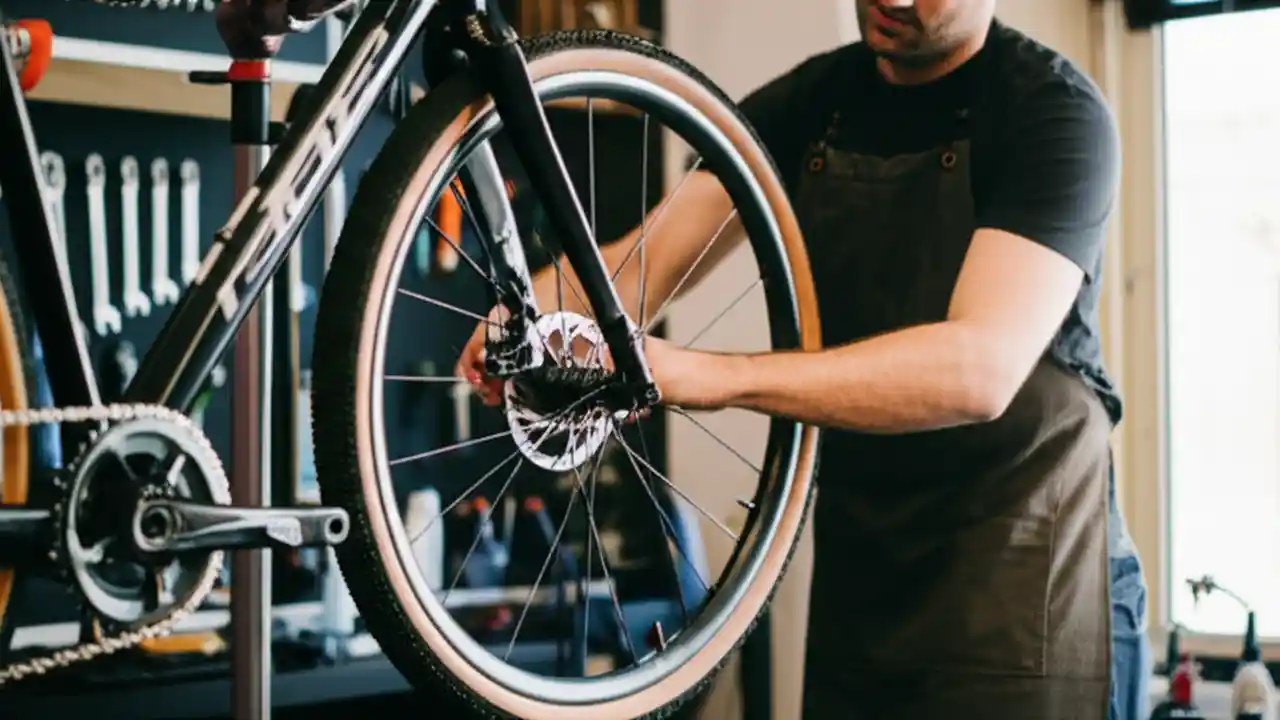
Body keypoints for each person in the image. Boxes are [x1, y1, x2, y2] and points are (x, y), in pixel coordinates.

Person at [460, 1, 1151, 716]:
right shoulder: (814, 105)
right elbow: (644, 263)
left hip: (1025, 578)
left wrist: (715, 375)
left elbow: (977, 369)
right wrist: (528, 311)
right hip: (866, 573)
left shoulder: (1055, 116)